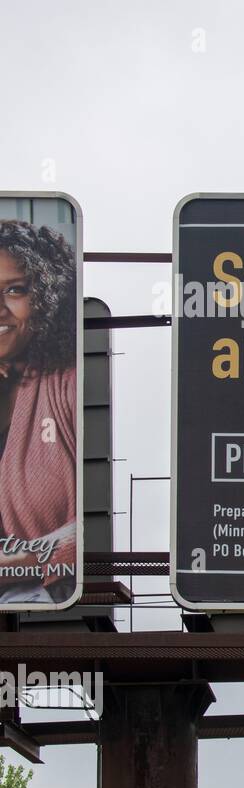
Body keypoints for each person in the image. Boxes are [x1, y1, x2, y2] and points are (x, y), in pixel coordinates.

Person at [0, 220, 78, 604]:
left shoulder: (67, 381)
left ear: (45, 295)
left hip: (40, 600)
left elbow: (84, 532)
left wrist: (17, 563)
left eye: (14, 290)